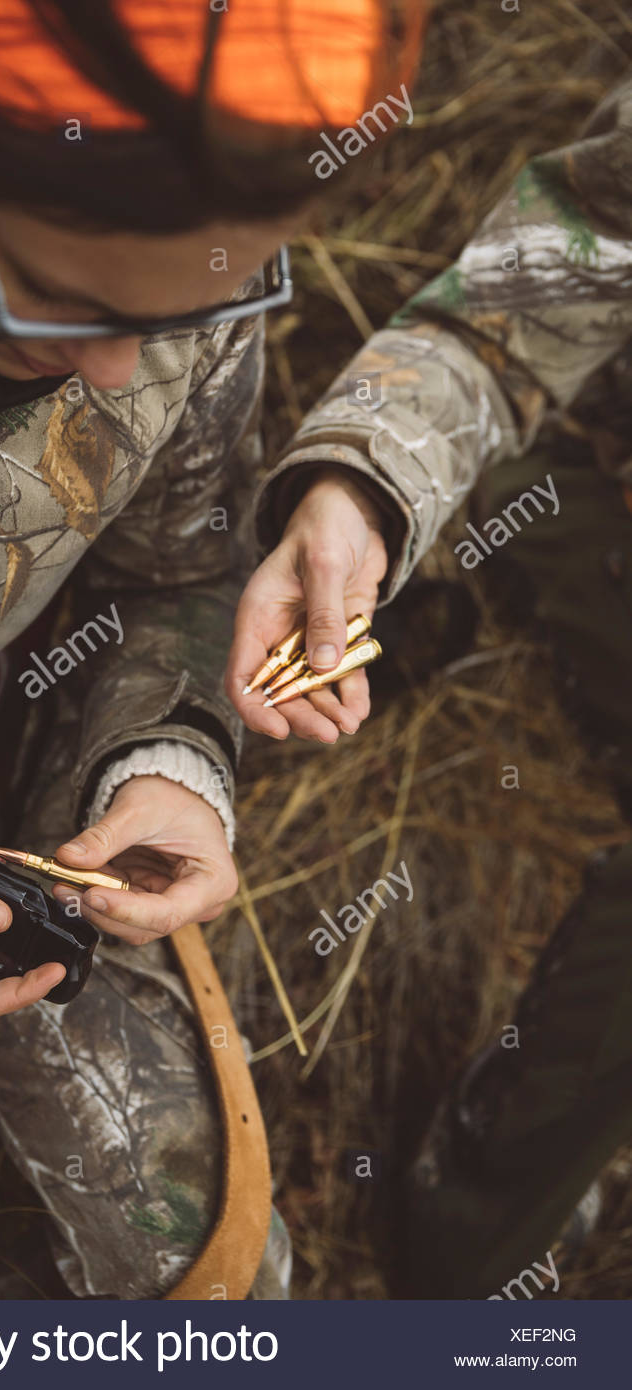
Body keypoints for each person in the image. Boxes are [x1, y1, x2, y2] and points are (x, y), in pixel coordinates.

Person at [0, 0, 423, 1297]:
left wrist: (164, 758)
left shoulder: (195, 222)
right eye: (62, 299)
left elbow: (171, 566)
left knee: (218, 1277)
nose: (120, 374)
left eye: (197, 306)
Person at [227, 65, 632, 1296]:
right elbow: (513, 304)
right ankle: (469, 1231)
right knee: (524, 507)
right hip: (584, 476)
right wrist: (360, 488)